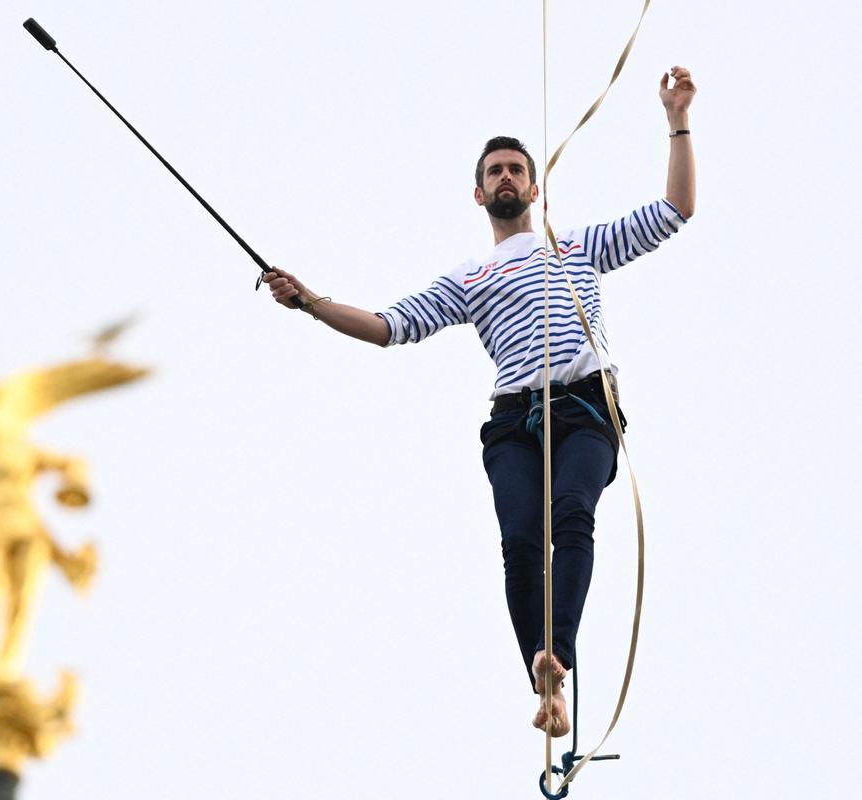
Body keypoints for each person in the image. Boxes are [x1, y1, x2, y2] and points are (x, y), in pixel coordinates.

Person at [263, 66, 696, 736]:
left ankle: (559, 653)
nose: (506, 178)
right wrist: (311, 303)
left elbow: (675, 211)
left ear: (534, 186)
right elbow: (387, 326)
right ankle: (543, 677)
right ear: (478, 192)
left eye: (516, 169)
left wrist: (677, 119)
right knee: (520, 540)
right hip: (514, 421)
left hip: (585, 409)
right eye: (495, 172)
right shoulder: (469, 279)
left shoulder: (577, 246)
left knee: (572, 514)